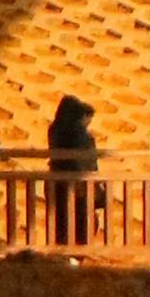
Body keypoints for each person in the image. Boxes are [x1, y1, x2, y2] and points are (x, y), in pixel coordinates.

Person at [45, 90, 102, 251]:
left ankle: (64, 252)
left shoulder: (55, 129)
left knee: (62, 220)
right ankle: (77, 253)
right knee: (83, 220)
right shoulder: (79, 134)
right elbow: (86, 160)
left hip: (57, 182)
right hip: (79, 185)